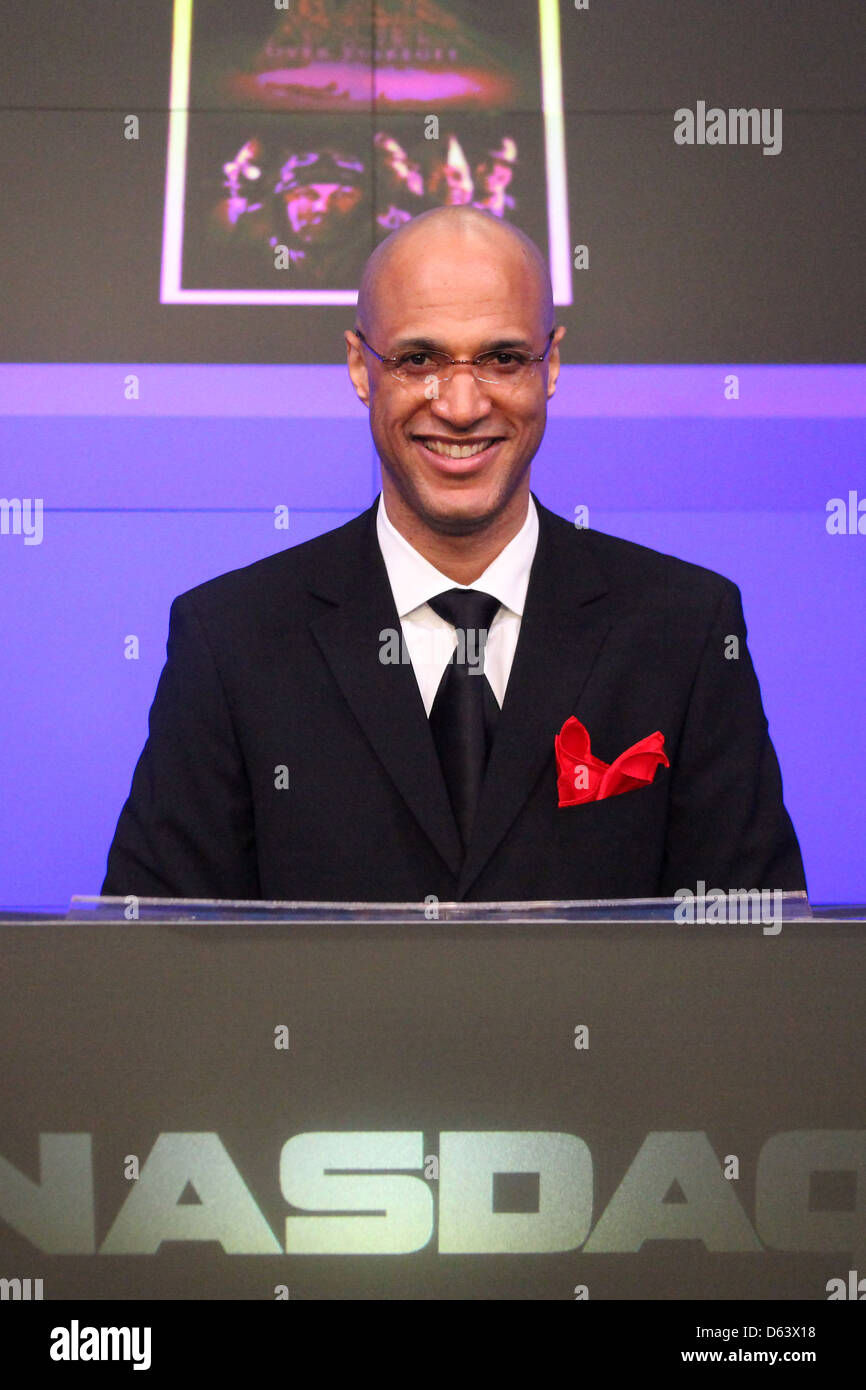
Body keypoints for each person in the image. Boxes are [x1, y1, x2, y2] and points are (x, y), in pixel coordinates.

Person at [101, 206, 807, 902]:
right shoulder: (230, 638)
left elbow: (754, 969)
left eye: (503, 358)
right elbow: (157, 966)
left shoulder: (684, 627)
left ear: (551, 364)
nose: (462, 405)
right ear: (359, 366)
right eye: (419, 360)